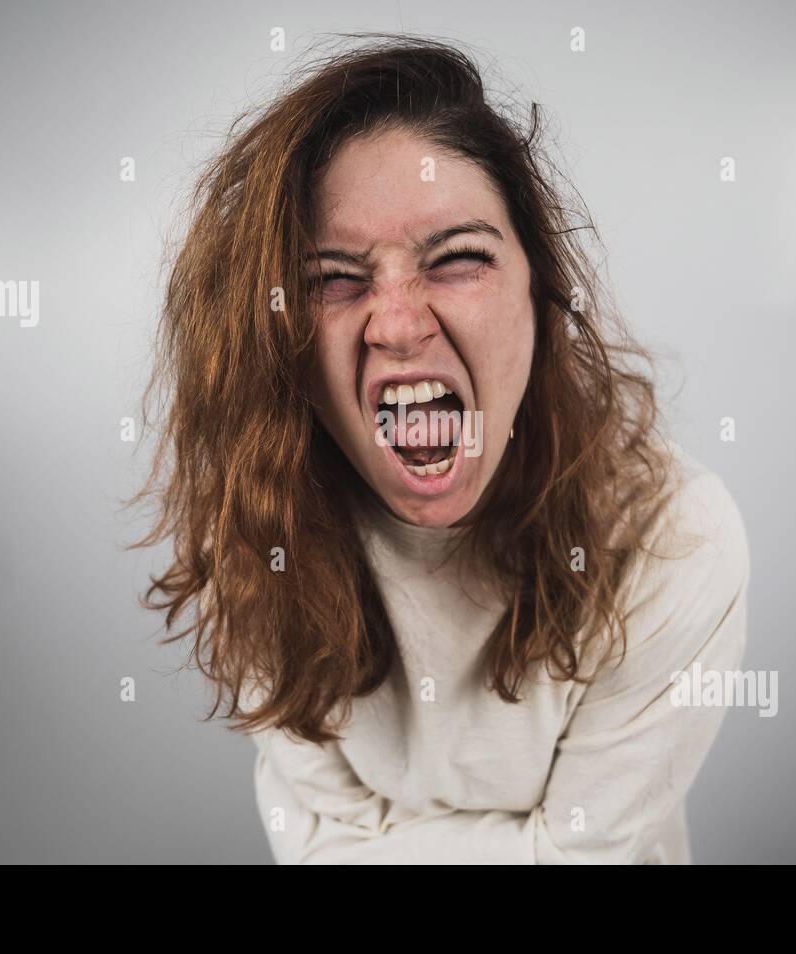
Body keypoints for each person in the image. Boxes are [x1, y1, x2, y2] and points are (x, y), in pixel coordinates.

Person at [133, 35, 751, 863]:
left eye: (456, 258)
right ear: (282, 341)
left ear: (541, 294)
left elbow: (582, 857)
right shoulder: (253, 533)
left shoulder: (678, 537)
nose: (396, 323)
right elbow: (322, 854)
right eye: (333, 279)